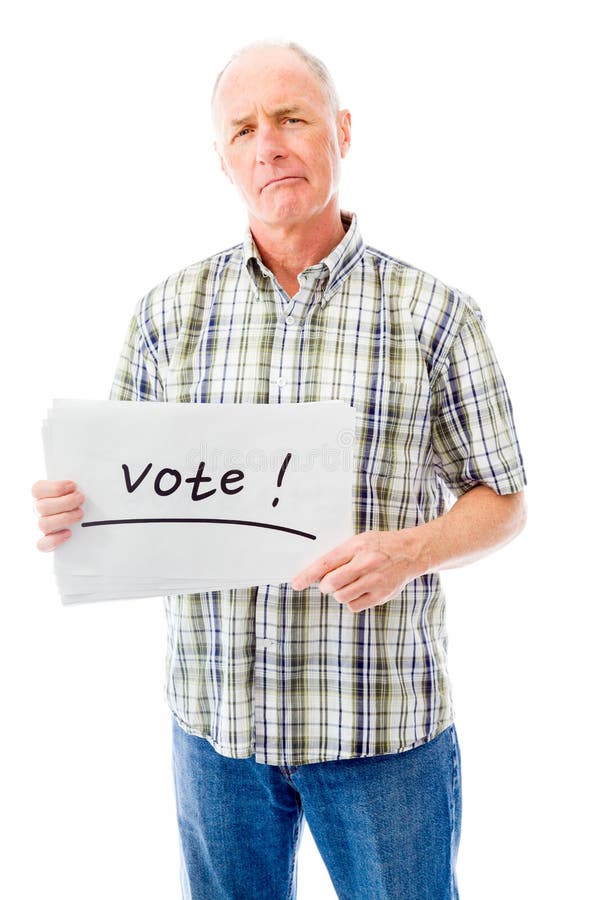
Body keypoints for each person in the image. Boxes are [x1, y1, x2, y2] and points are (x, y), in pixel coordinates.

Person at [32, 40, 527, 900]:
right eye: (244, 129)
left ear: (340, 130)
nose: (270, 144)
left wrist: (407, 552)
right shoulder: (167, 315)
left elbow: (506, 502)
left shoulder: (435, 316)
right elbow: (124, 497)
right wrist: (76, 512)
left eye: (292, 119)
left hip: (379, 729)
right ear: (222, 158)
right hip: (216, 731)